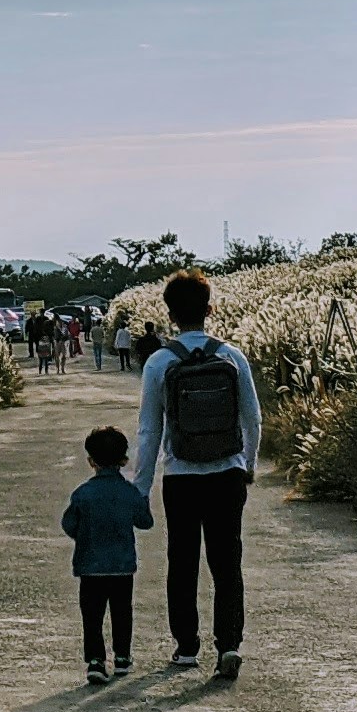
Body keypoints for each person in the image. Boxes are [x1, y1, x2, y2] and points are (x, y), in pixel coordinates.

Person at [130, 275, 258, 680]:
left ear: (169, 314)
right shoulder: (233, 357)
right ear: (210, 308)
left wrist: (141, 487)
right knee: (227, 560)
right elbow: (252, 418)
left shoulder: (160, 362)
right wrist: (248, 465)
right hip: (227, 472)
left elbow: (149, 431)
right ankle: (229, 645)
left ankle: (186, 647)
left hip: (181, 476)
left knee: (182, 561)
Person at [60, 423, 151, 684]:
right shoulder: (128, 492)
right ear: (124, 460)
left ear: (91, 461)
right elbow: (145, 522)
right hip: (122, 566)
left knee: (92, 615)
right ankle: (122, 656)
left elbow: (69, 525)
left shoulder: (83, 494)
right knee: (122, 611)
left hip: (90, 566)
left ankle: (96, 661)